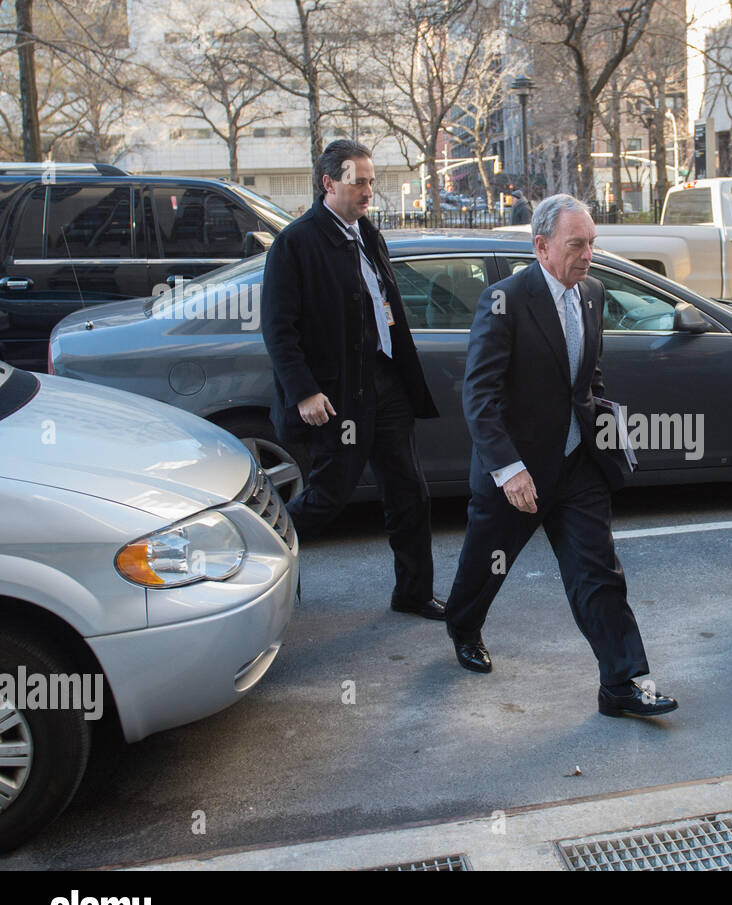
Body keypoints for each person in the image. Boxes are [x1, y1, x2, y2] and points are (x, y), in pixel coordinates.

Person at [442, 193, 677, 719]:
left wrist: (602, 424)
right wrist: (508, 468)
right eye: (576, 244)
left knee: (600, 575)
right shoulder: (504, 300)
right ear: (542, 246)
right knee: (486, 568)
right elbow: (478, 395)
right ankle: (463, 625)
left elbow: (587, 378)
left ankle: (622, 683)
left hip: (577, 466)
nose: (588, 254)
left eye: (592, 243)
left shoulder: (591, 293)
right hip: (517, 473)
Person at [261, 139, 446, 620]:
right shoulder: (297, 242)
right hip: (339, 397)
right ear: (329, 183)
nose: (368, 191)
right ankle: (260, 568)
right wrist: (303, 390)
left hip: (386, 387)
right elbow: (279, 329)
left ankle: (413, 592)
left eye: (371, 182)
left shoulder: (367, 233)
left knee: (409, 493)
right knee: (327, 498)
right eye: (358, 181)